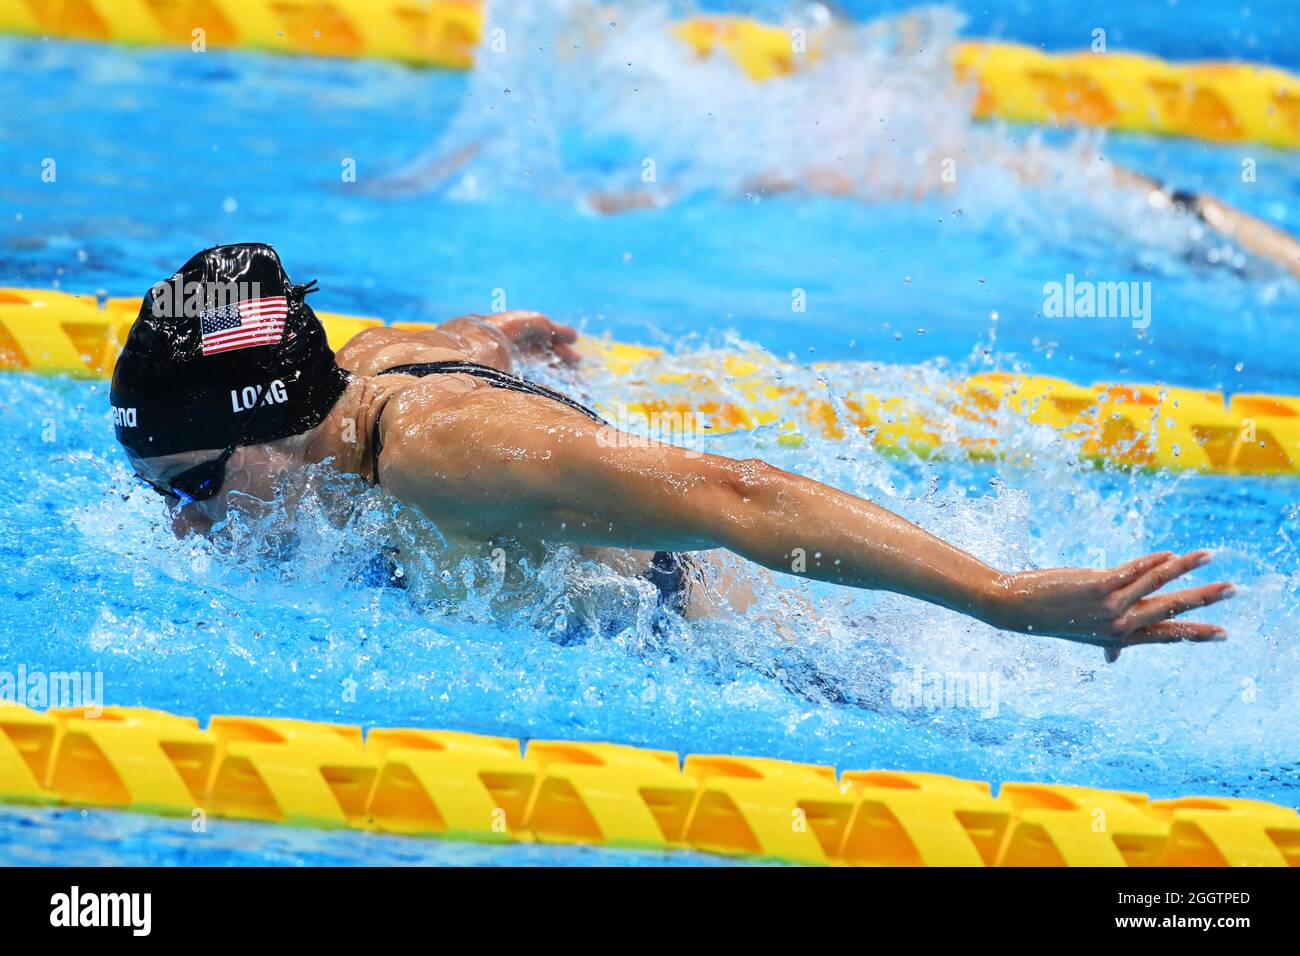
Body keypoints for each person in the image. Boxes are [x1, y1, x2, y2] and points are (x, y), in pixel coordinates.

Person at [113, 244, 1234, 663]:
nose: (188, 524)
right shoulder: (359, 368)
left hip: (737, 635)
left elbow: (731, 493)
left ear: (266, 423)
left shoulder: (439, 454)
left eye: (198, 483)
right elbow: (463, 335)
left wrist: (1001, 596)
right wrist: (513, 339)